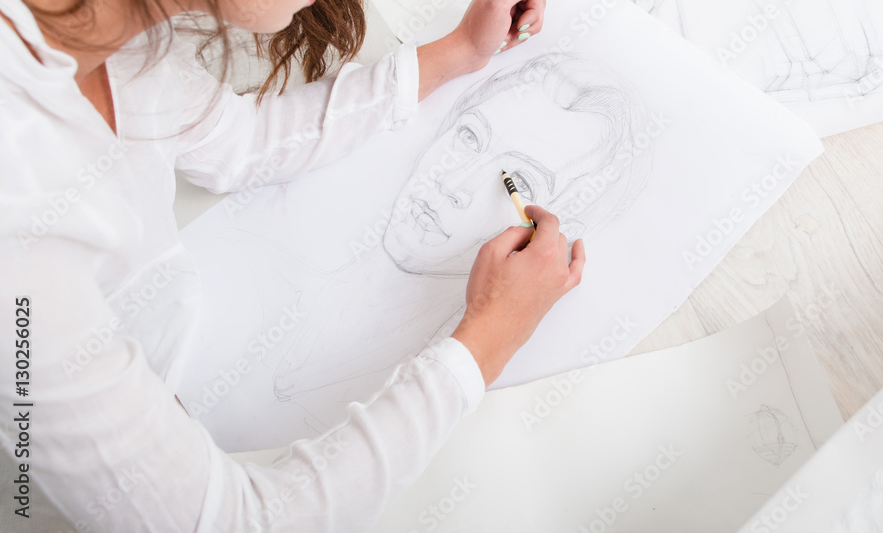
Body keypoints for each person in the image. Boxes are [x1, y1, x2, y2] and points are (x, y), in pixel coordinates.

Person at [0, 0, 584, 531]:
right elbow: (238, 523)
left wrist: (454, 53)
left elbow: (239, 143)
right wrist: (488, 335)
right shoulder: (20, 224)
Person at [266, 53, 652, 402]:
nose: (453, 185)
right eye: (469, 136)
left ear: (550, 237)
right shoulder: (266, 268)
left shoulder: (424, 395)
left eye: (521, 181)